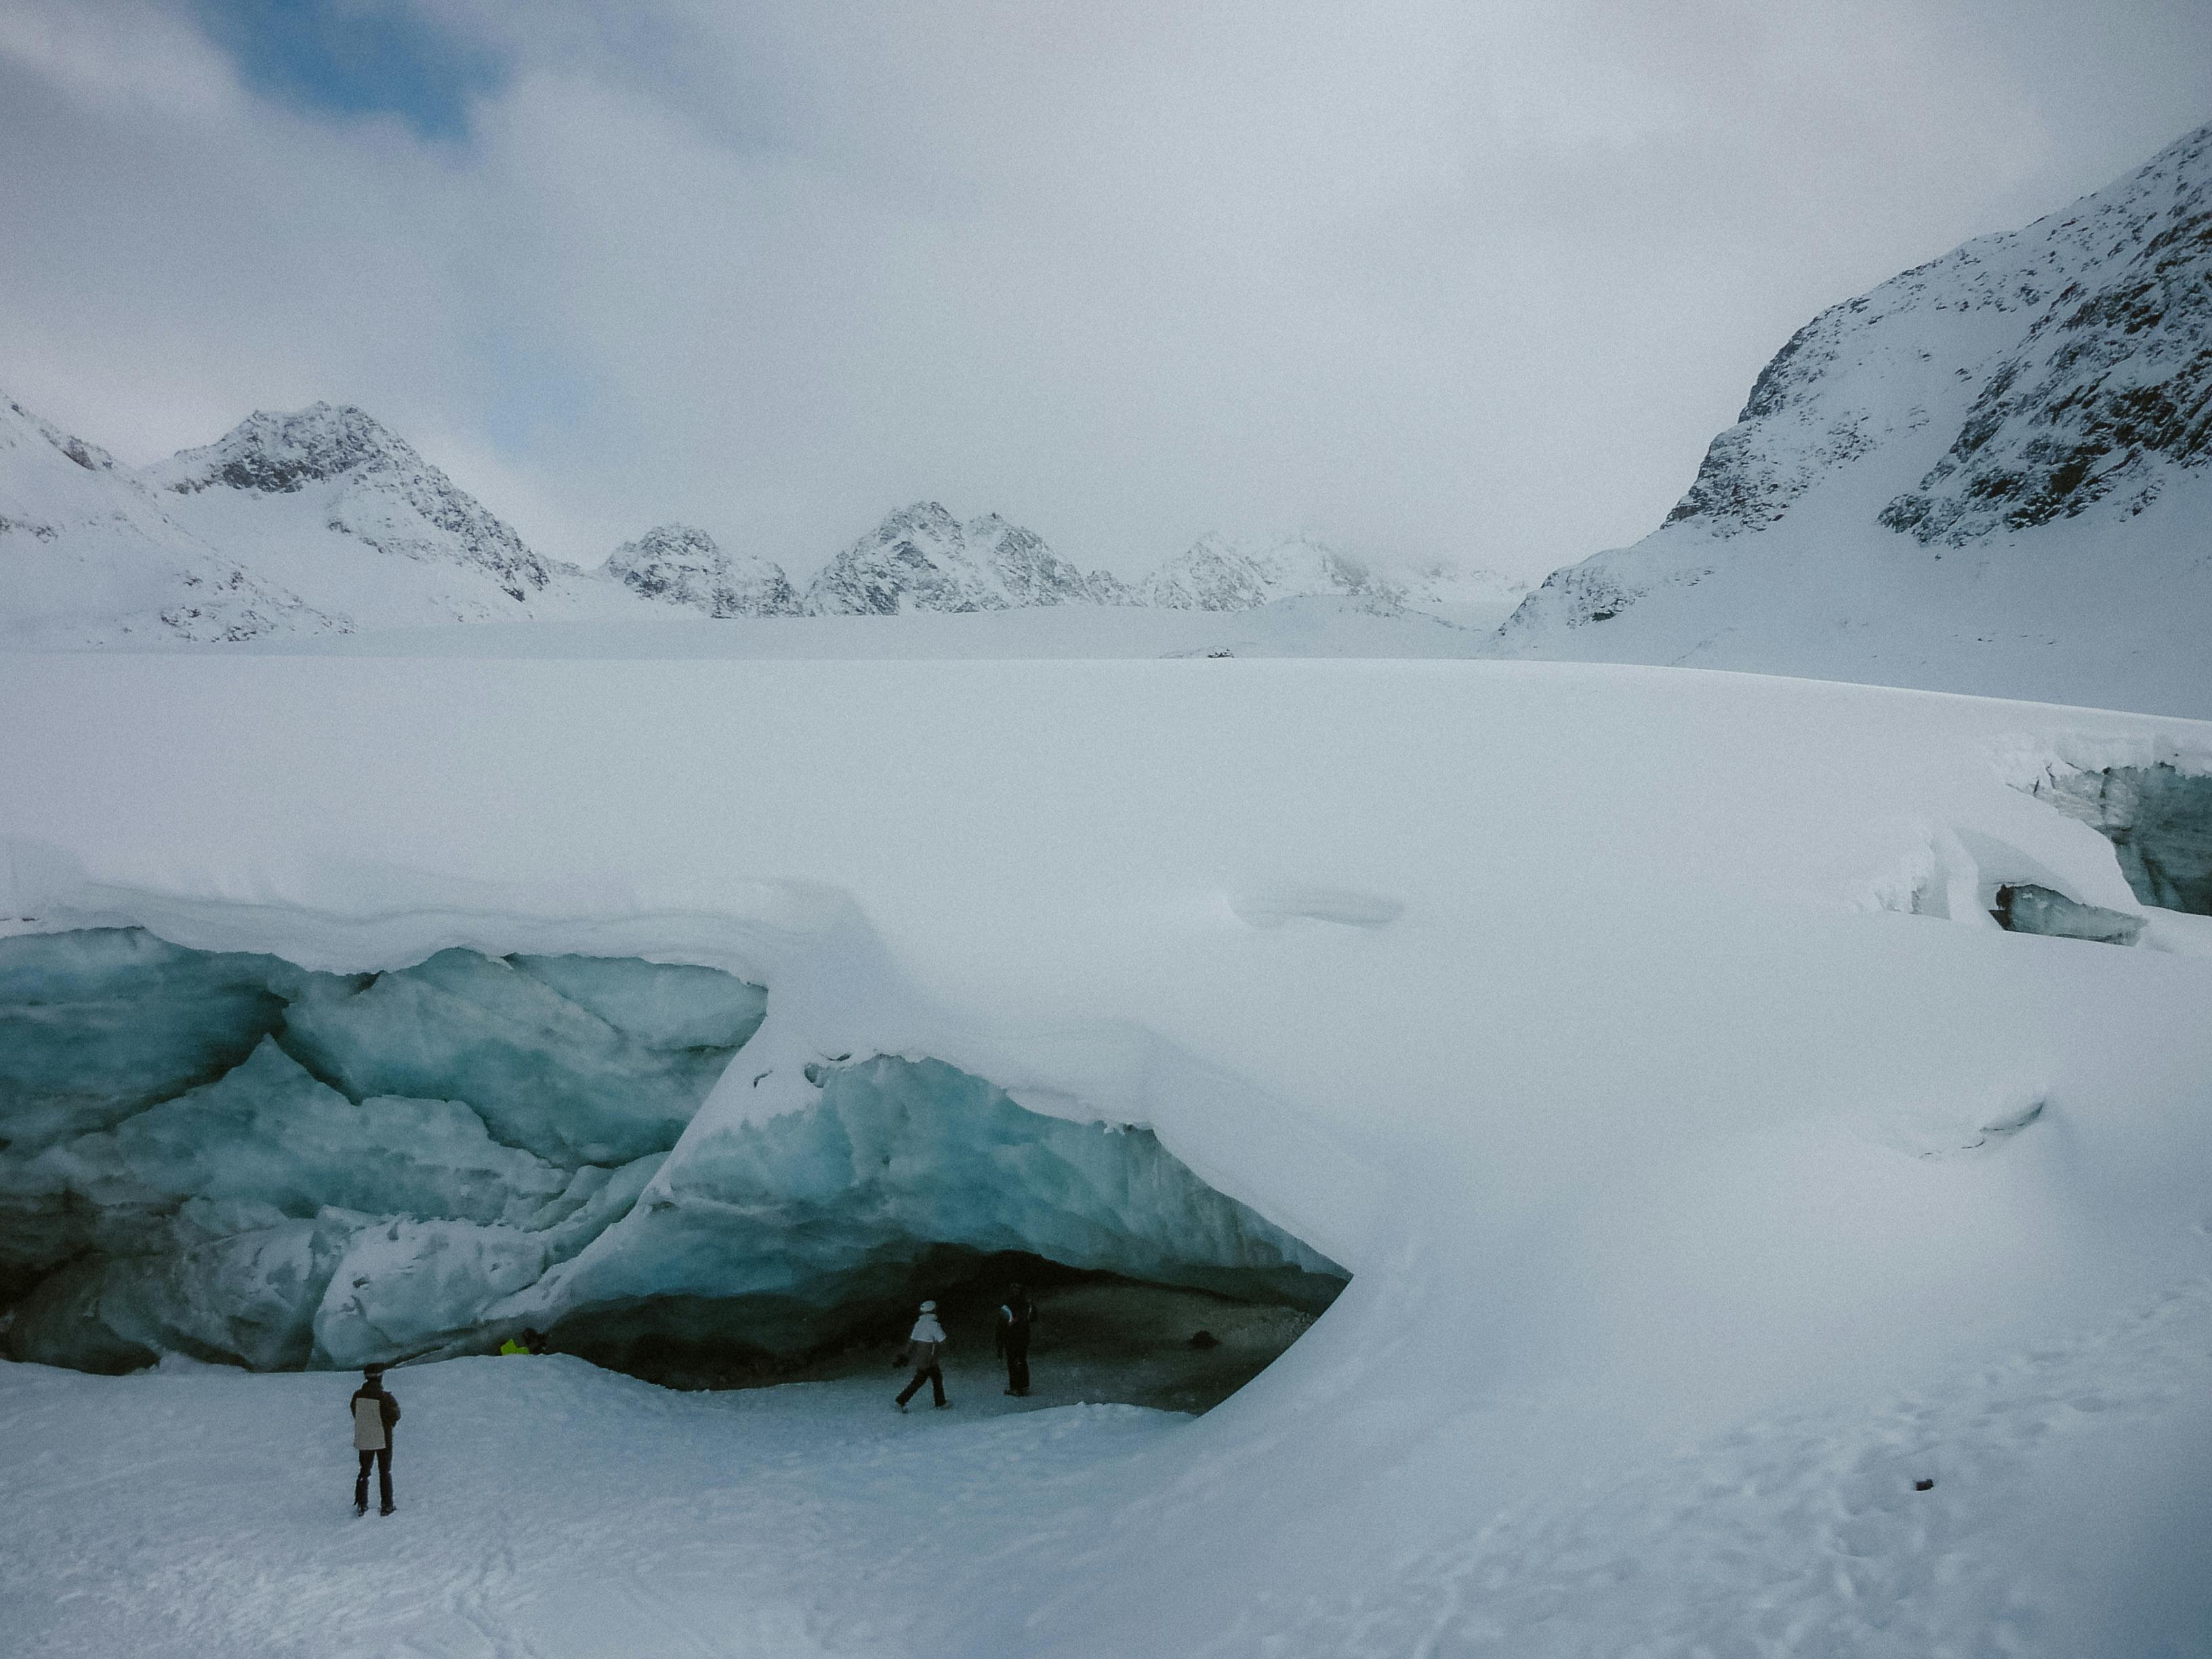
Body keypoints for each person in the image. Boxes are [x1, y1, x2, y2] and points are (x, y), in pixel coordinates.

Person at [350, 1364, 402, 1516]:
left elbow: (354, 1410)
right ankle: (387, 1504)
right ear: (380, 1377)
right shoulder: (385, 1397)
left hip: (364, 1437)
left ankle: (362, 1503)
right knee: (385, 1471)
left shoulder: (357, 1395)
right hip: (383, 1438)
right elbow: (396, 1415)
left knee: (364, 1471)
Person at [893, 1300, 950, 1411]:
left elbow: (911, 1341)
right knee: (926, 1380)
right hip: (930, 1360)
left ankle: (940, 1402)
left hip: (921, 1358)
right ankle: (900, 1401)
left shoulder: (919, 1324)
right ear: (933, 1310)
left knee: (929, 1379)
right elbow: (943, 1341)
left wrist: (905, 1355)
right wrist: (948, 1349)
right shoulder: (934, 1325)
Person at [995, 1282, 1037, 1397]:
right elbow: (1033, 1318)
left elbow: (1001, 1325)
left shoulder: (1006, 1305)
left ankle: (1015, 1388)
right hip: (1023, 1336)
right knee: (1022, 1360)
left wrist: (999, 1343)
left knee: (1013, 1362)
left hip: (1011, 1337)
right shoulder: (1026, 1303)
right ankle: (1024, 1386)